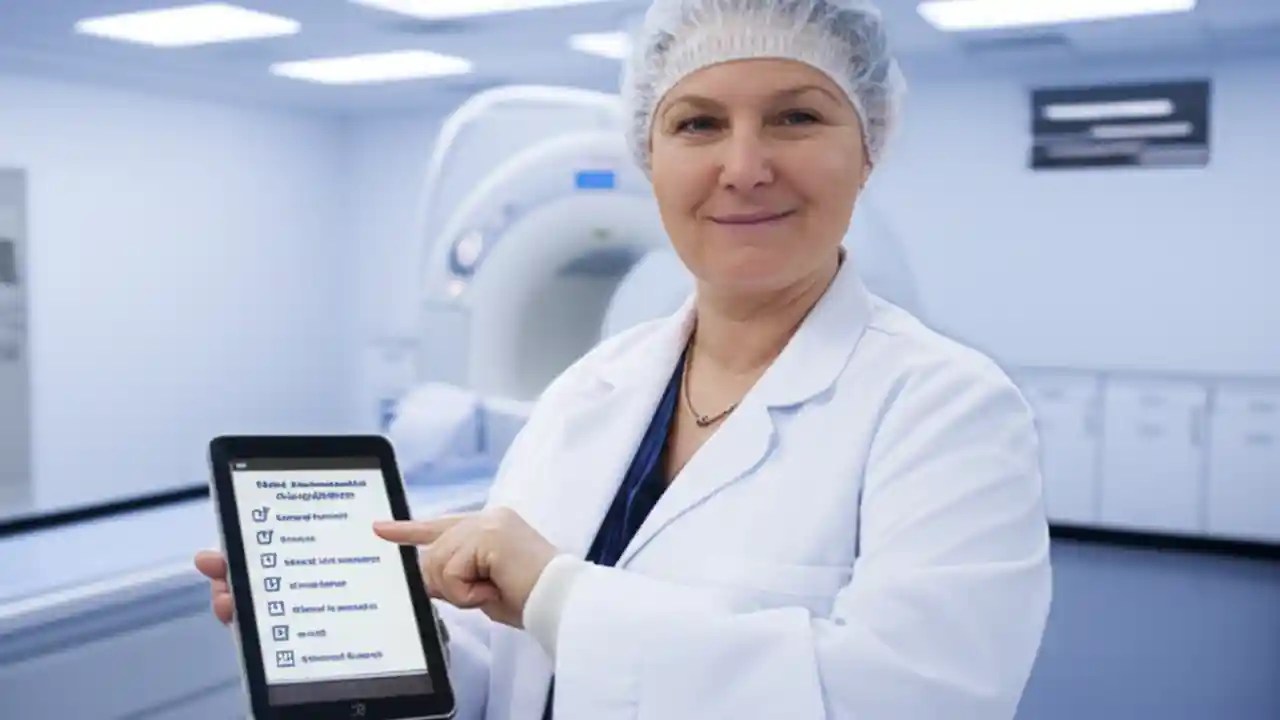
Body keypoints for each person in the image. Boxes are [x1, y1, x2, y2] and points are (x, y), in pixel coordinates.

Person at [196, 0, 1053, 717]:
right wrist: (363, 650)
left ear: (868, 148)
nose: (744, 166)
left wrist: (557, 592)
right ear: (650, 156)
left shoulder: (948, 409)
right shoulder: (591, 391)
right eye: (698, 123)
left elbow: (916, 701)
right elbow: (516, 675)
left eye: (795, 116)